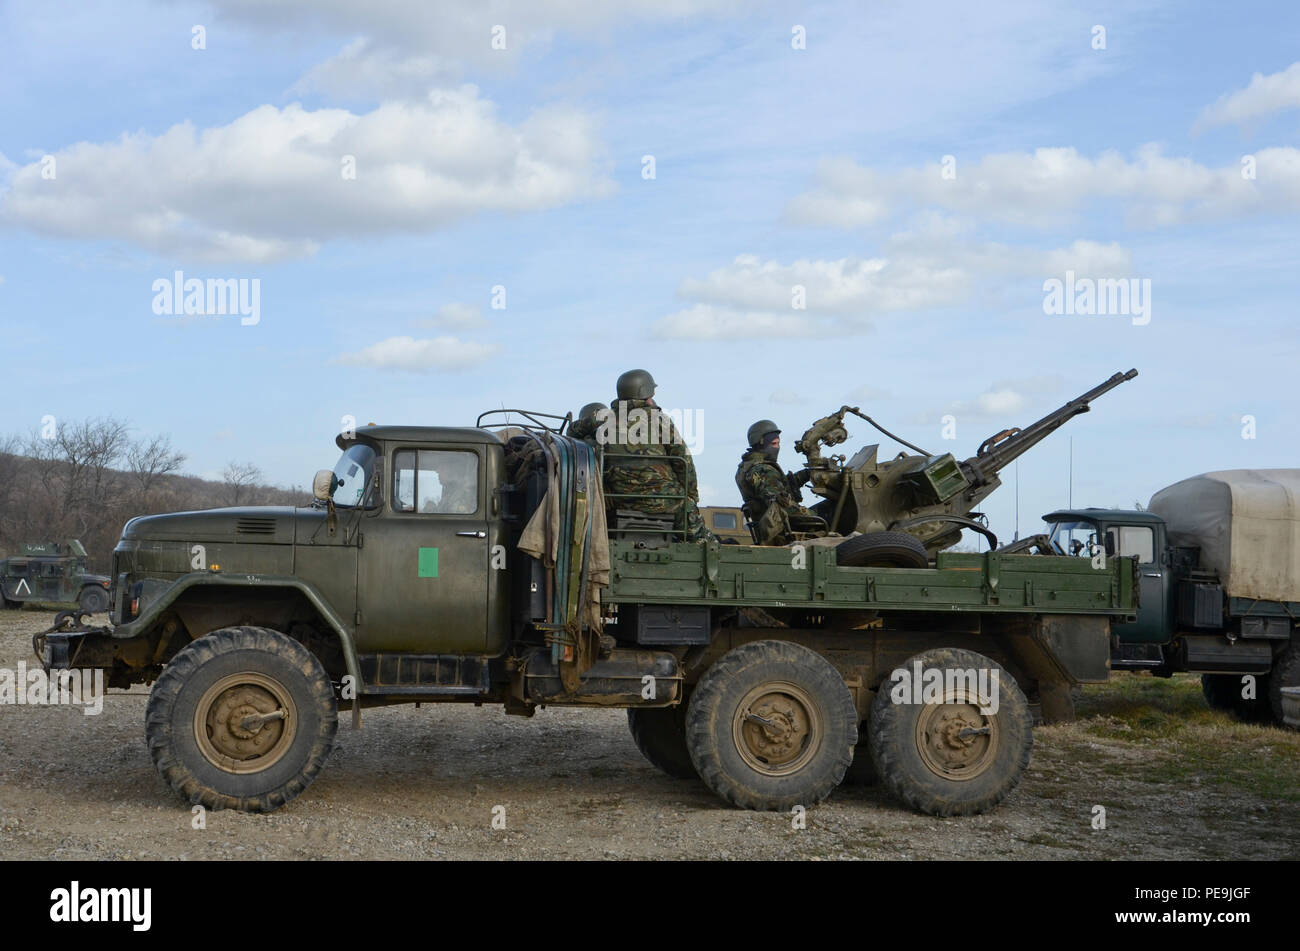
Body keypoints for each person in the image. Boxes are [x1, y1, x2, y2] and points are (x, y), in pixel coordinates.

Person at [599, 369, 714, 542]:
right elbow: (684, 463)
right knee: (703, 540)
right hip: (665, 499)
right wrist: (690, 498)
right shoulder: (659, 420)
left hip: (618, 500)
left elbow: (575, 429)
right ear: (645, 394)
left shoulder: (603, 420)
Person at [736, 420, 813, 542]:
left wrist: (806, 474)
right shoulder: (763, 469)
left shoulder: (748, 466)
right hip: (782, 534)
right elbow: (780, 504)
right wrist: (811, 514)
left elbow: (775, 487)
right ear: (762, 443)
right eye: (774, 443)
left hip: (773, 530)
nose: (777, 447)